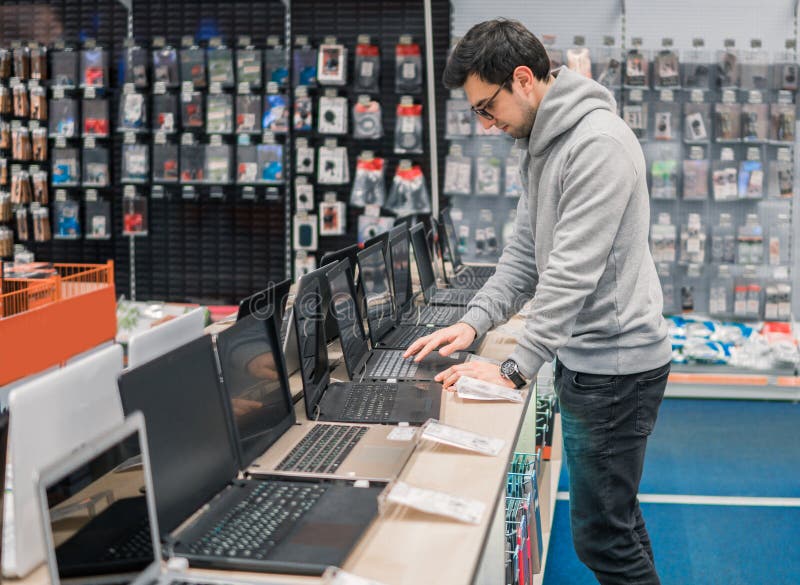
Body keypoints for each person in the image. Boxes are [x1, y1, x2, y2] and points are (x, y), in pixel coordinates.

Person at [403, 18, 672, 585]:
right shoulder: (539, 143)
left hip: (616, 370)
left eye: (486, 106)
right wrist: (473, 325)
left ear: (523, 79)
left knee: (602, 540)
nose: (485, 124)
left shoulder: (596, 144)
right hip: (591, 360)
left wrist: (514, 367)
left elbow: (571, 273)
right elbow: (526, 255)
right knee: (615, 524)